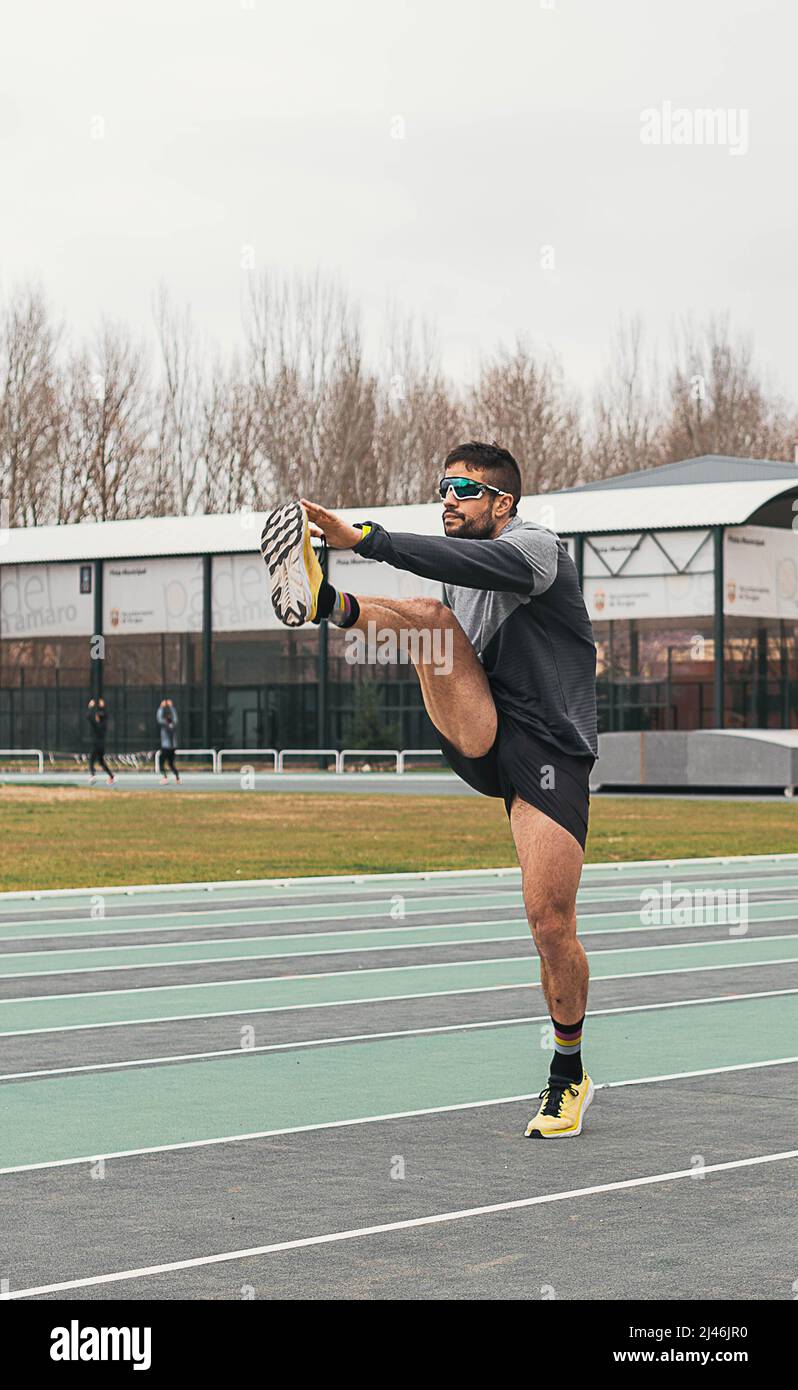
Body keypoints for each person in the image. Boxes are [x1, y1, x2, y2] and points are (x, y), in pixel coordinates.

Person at [260, 441, 598, 1138]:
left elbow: (472, 561)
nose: (447, 499)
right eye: (441, 488)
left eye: (463, 489)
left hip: (549, 756)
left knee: (549, 922)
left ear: (503, 503)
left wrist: (368, 539)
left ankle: (568, 1071)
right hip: (482, 731)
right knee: (430, 624)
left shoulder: (537, 548)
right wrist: (344, 605)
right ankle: (319, 597)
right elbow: (423, 622)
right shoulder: (457, 582)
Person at [86, 698, 115, 785]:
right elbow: (105, 715)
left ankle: (92, 776)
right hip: (102, 745)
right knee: (101, 762)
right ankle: (111, 776)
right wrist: (102, 706)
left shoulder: (97, 725)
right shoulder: (104, 724)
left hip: (96, 745)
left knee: (91, 760)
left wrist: (90, 707)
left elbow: (88, 716)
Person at [157, 699, 180, 784]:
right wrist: (171, 707)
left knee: (161, 763)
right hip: (173, 747)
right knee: (171, 764)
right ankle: (177, 778)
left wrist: (161, 707)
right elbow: (175, 718)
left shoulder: (164, 725)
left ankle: (165, 778)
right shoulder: (173, 724)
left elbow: (159, 719)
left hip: (166, 747)